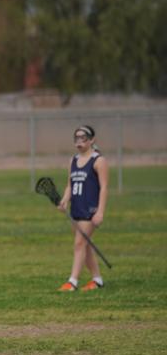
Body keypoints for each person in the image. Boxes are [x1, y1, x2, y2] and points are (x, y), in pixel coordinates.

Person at [57, 124, 108, 291]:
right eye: (76, 138)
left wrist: (100, 212)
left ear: (92, 140)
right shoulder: (73, 160)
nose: (79, 141)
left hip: (90, 210)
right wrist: (65, 199)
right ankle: (97, 279)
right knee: (85, 245)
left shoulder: (98, 160)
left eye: (83, 138)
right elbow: (70, 185)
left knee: (79, 244)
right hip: (76, 208)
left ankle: (72, 281)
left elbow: (104, 188)